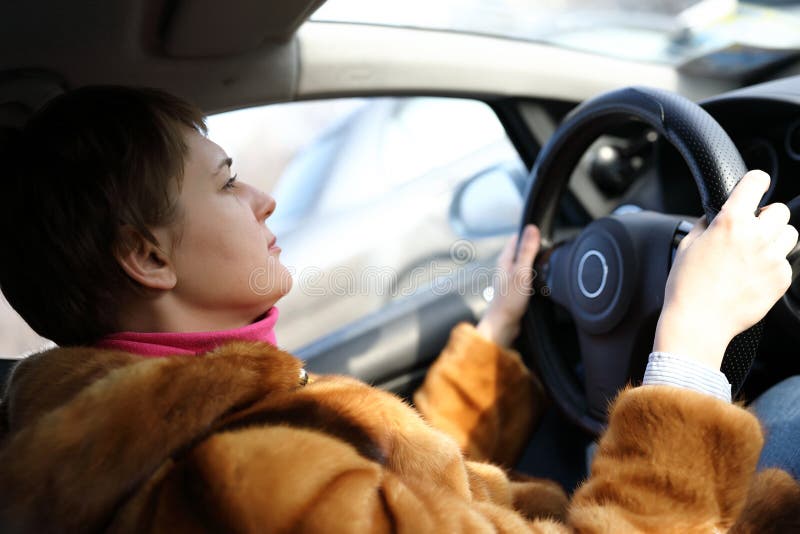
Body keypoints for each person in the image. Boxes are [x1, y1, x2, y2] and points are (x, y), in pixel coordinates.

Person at [0, 86, 797, 532]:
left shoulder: (189, 430)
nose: (264, 198)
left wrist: (498, 329)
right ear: (149, 257)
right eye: (226, 181)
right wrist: (689, 341)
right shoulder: (239, 485)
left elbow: (391, 476)